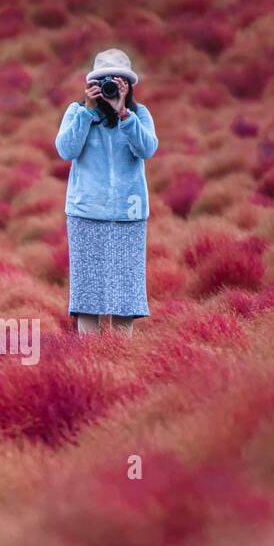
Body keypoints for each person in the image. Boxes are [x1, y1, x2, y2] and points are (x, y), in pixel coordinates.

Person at [54, 48, 158, 337]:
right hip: (87, 214)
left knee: (125, 297)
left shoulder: (138, 115)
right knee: (88, 297)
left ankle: (122, 359)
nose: (110, 86)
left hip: (129, 215)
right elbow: (66, 150)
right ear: (91, 84)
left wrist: (124, 113)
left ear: (129, 86)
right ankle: (91, 360)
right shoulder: (78, 113)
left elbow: (147, 149)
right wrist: (87, 112)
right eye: (104, 81)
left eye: (118, 81)